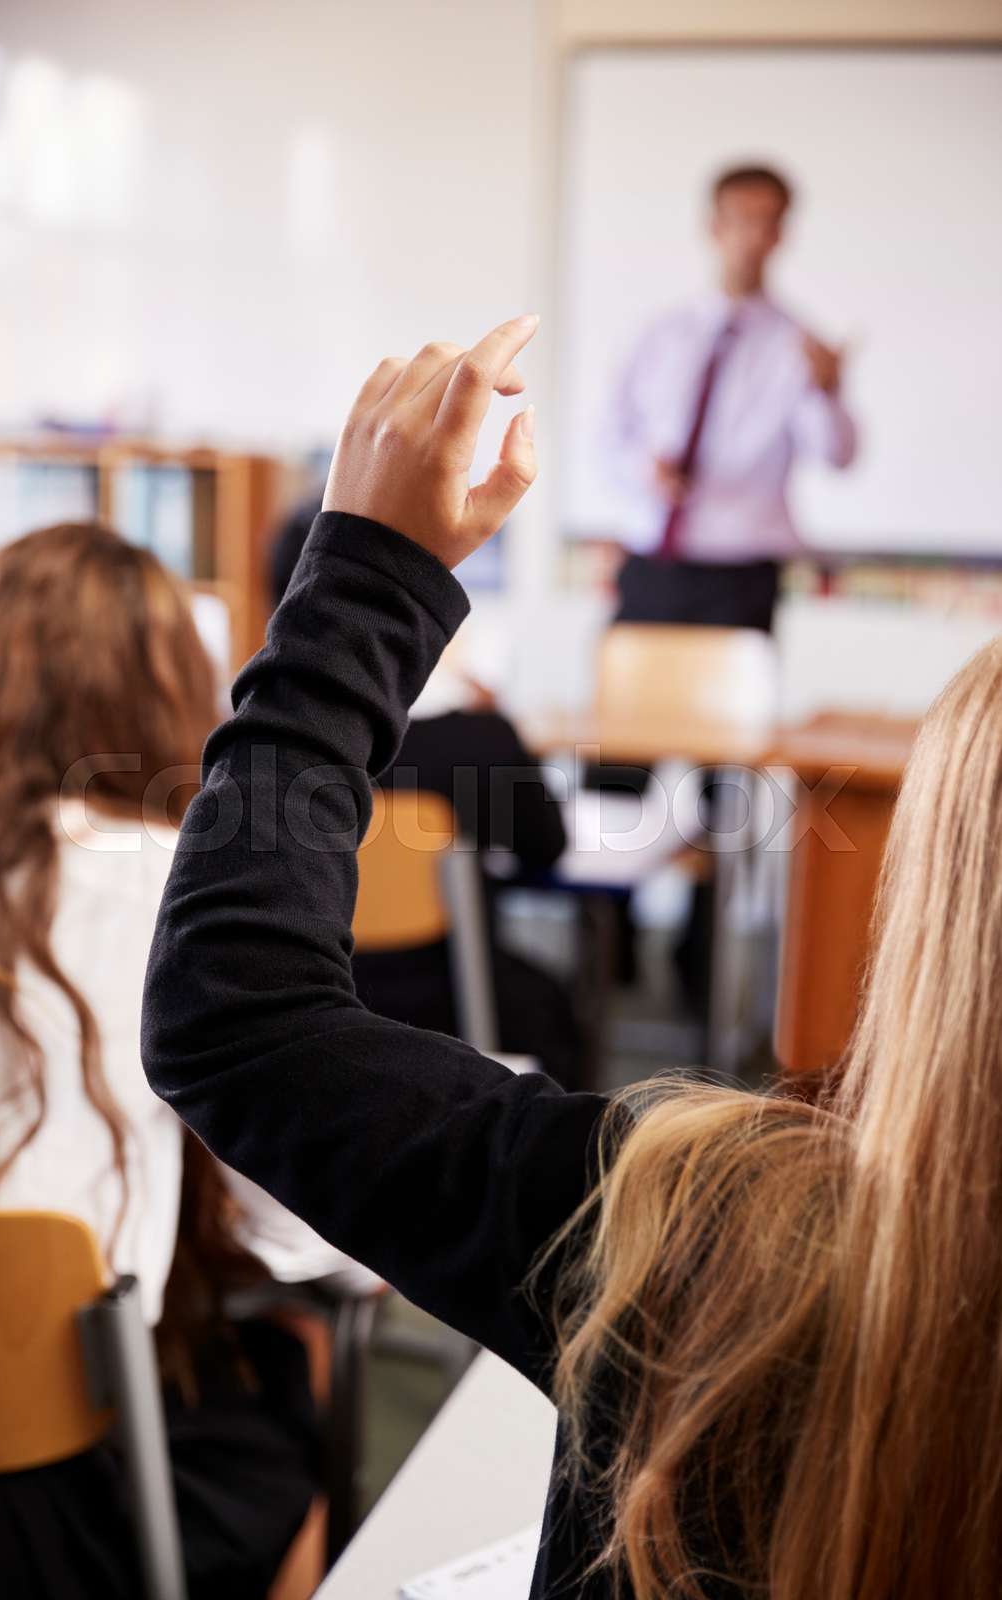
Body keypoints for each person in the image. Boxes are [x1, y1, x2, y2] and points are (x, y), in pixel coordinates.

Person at [143, 313, 1002, 1598]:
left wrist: (366, 579)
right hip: (475, 992)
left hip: (380, 1034)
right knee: (548, 993)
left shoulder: (700, 1227)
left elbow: (238, 1017)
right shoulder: (483, 742)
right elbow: (542, 843)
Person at [0, 523, 346, 1599]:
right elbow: (295, 1230)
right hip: (62, 1496)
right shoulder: (187, 888)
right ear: (174, 692)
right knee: (292, 1358)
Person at [272, 494, 583, 1084]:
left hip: (300, 1010)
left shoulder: (252, 748)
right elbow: (545, 848)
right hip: (458, 1003)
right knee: (553, 1009)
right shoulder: (478, 738)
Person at [611, 163, 856, 634]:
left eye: (767, 222)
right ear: (714, 226)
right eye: (741, 219)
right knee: (627, 697)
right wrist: (648, 470)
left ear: (782, 233)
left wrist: (828, 394)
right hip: (652, 561)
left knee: (735, 702)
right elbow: (609, 439)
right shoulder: (661, 335)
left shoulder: (800, 347)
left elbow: (836, 455)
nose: (752, 236)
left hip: (741, 575)